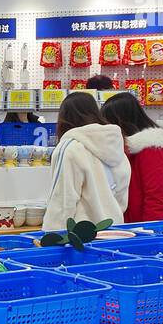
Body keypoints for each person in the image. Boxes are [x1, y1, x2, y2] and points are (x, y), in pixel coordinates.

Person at [43, 91, 130, 232]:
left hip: (80, 236)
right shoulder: (116, 147)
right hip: (114, 231)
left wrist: (51, 237)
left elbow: (63, 201)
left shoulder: (70, 148)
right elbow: (121, 196)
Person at [102, 93, 163, 222]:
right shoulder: (133, 149)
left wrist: (152, 233)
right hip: (138, 226)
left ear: (120, 121)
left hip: (156, 230)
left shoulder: (153, 150)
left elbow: (157, 196)